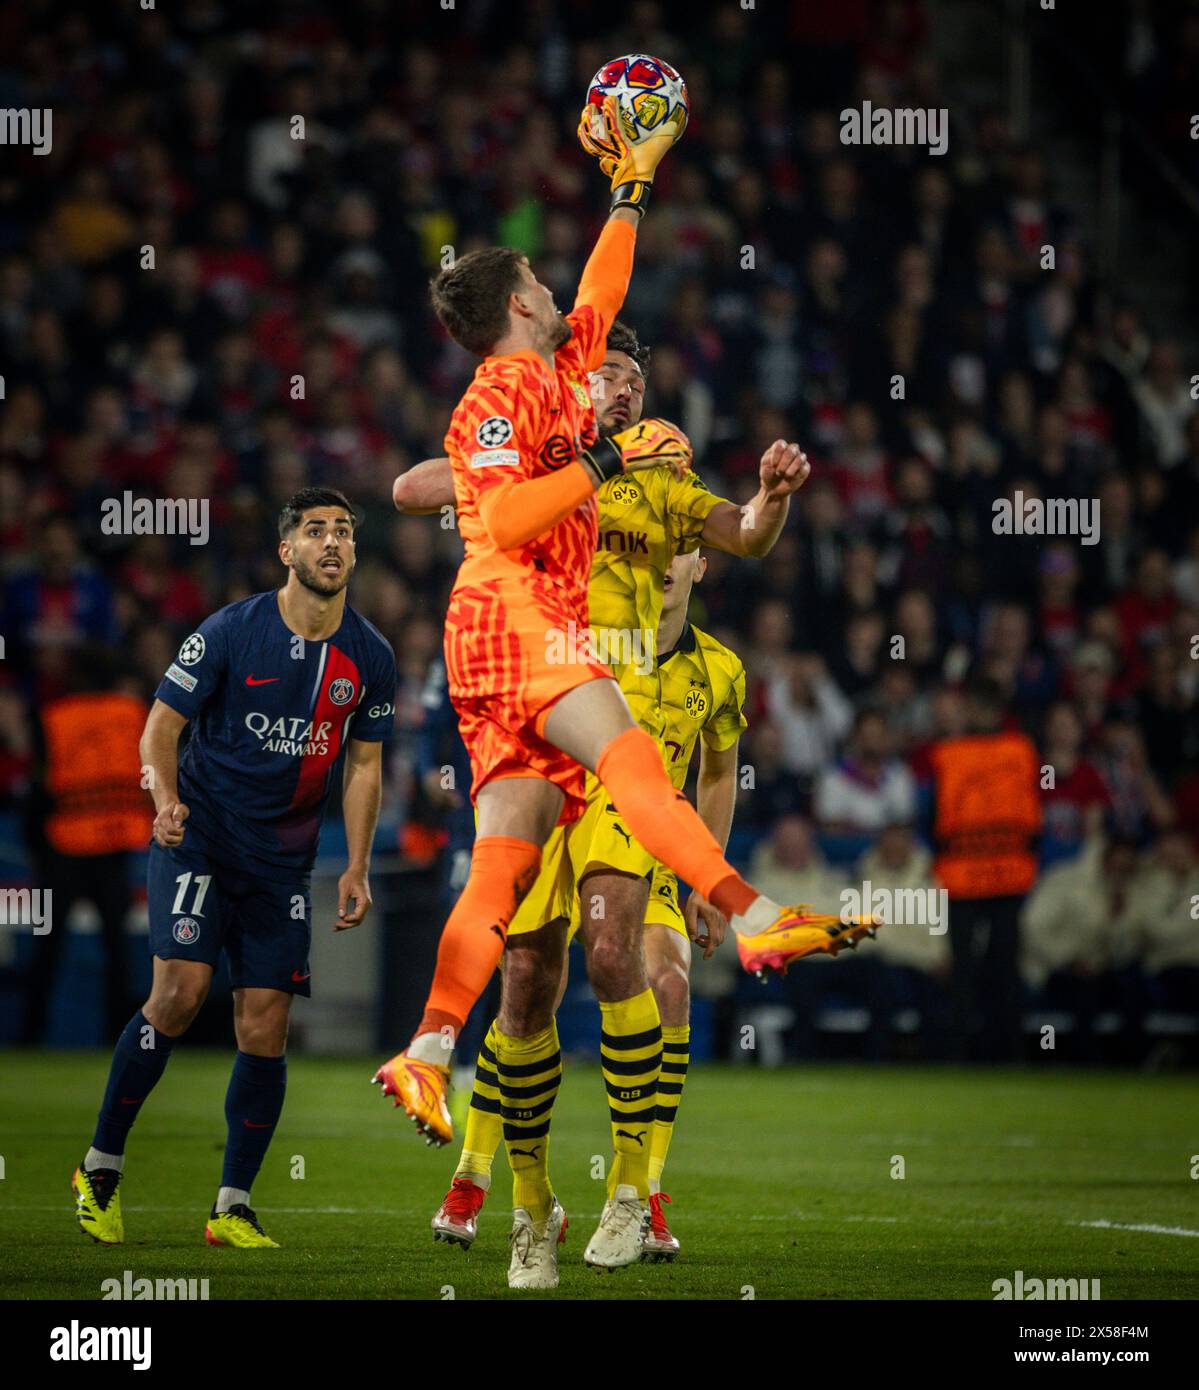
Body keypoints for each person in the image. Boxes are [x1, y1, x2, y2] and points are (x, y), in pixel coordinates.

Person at [372, 97, 872, 1213]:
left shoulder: (555, 367)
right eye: (539, 289)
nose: (562, 296)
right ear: (512, 305)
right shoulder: (495, 395)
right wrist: (598, 463)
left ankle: (427, 1044)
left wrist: (631, 182)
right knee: (629, 749)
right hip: (511, 616)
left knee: (500, 859)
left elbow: (603, 284)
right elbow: (496, 524)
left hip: (501, 644)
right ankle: (751, 916)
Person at [71, 488, 396, 1249]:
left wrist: (355, 865)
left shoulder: (369, 655)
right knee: (179, 996)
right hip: (202, 839)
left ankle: (232, 1205)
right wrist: (166, 800)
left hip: (281, 863)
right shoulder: (229, 631)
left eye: (344, 532)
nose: (332, 542)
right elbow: (160, 729)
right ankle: (100, 1166)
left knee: (266, 1025)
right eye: (315, 530)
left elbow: (364, 767)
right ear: (286, 551)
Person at [928, 675, 1042, 1062]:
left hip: (1006, 875)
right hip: (963, 876)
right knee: (964, 969)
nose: (979, 714)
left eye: (984, 707)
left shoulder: (1019, 751)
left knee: (1004, 966)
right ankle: (961, 1053)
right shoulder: (949, 753)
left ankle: (1008, 1051)